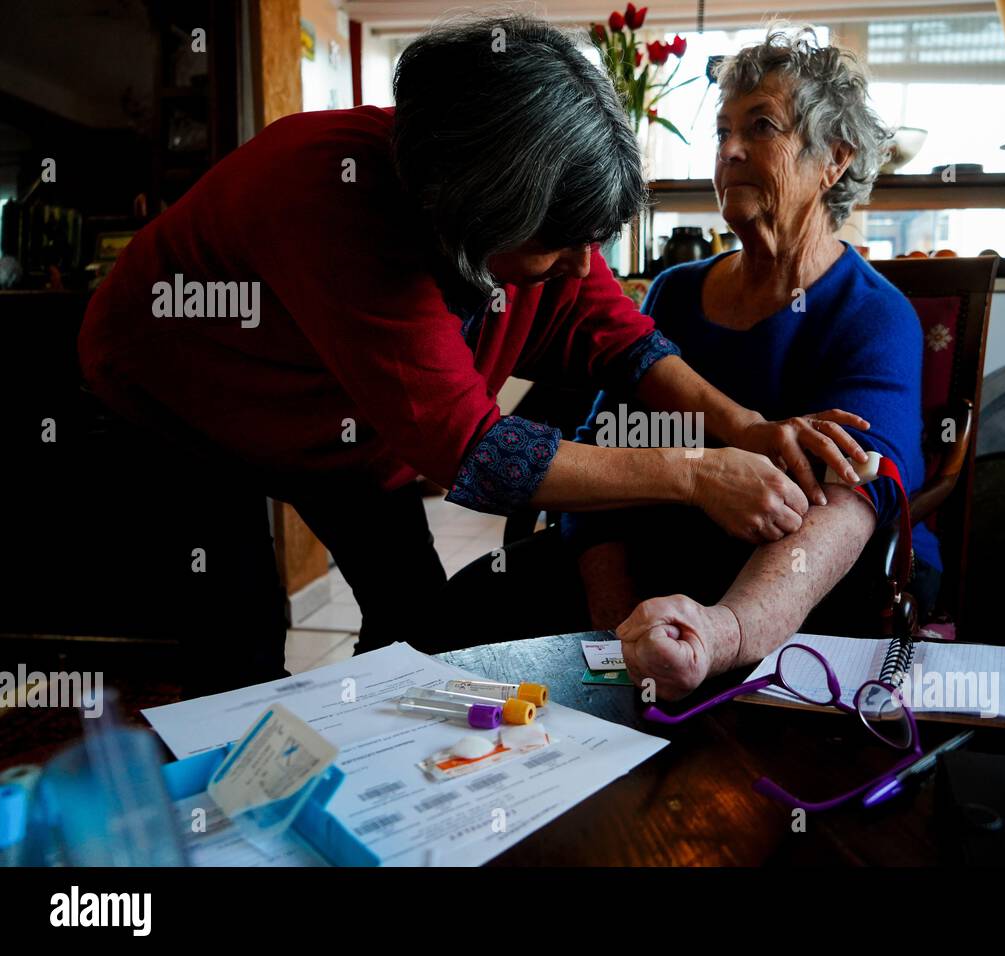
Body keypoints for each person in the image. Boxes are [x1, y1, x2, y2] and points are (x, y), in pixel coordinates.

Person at [76, 15, 867, 689]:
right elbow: (480, 457)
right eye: (561, 246)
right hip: (179, 403)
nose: (580, 264)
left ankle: (376, 763)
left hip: (342, 420)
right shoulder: (330, 203)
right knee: (237, 627)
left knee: (417, 617)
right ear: (476, 215)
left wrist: (745, 426)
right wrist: (694, 474)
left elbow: (621, 343)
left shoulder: (528, 225)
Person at [564, 29, 943, 700]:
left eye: (760, 127)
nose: (729, 152)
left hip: (799, 602)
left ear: (833, 158)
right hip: (651, 590)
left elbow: (853, 497)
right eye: (721, 133)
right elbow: (603, 455)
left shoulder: (872, 314)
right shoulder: (674, 293)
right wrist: (614, 631)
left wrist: (724, 633)